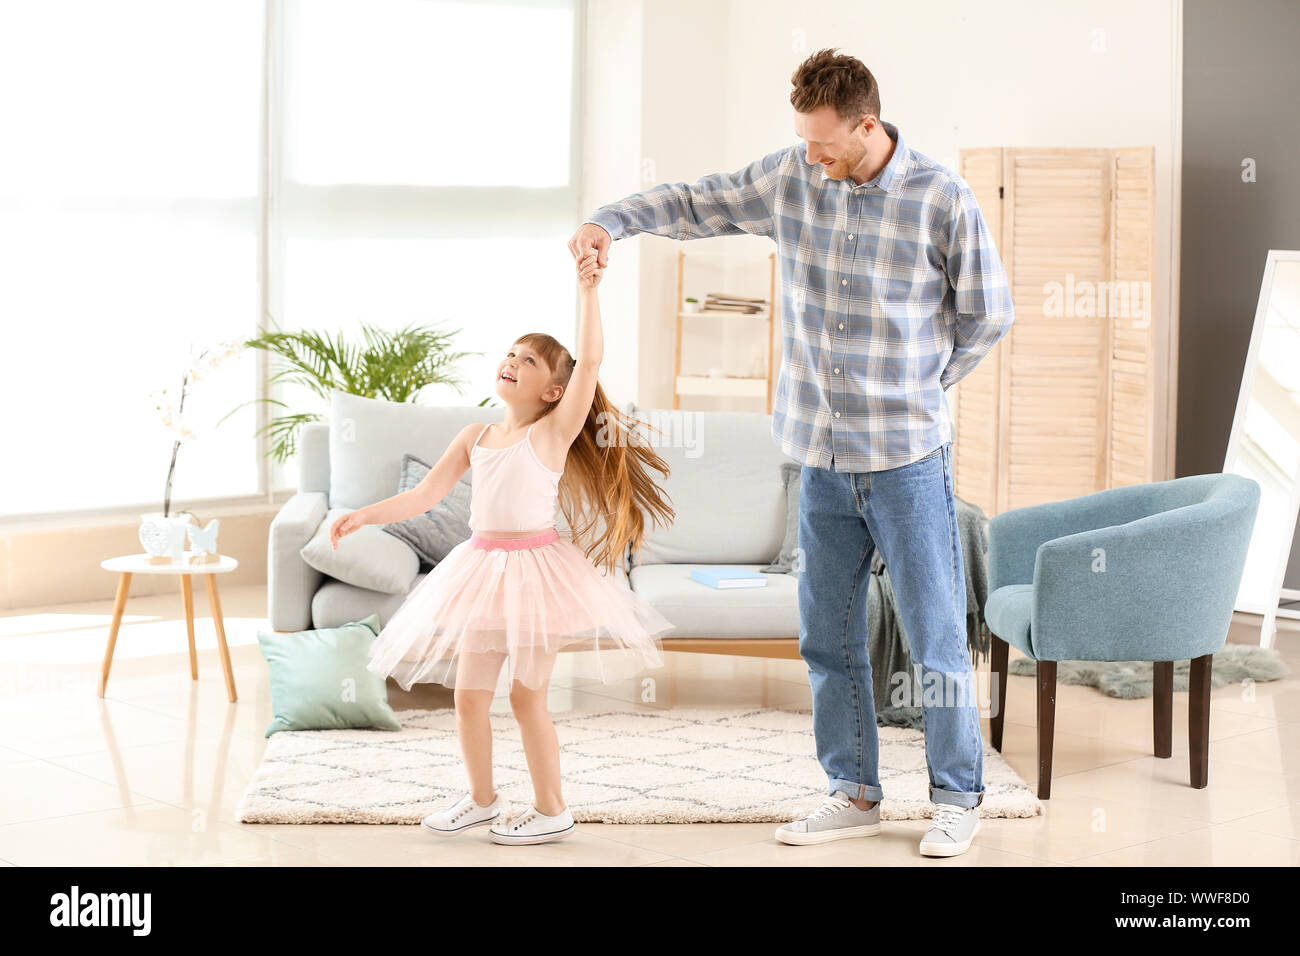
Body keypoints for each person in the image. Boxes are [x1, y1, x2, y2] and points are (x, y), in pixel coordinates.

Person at [568, 48, 1013, 857]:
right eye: (802, 141)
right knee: (827, 637)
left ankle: (957, 796)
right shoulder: (790, 179)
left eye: (824, 143)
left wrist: (924, 386)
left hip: (907, 460)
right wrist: (610, 221)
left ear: (867, 126)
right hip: (817, 460)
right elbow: (695, 202)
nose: (811, 156)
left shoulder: (940, 197)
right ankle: (852, 790)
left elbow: (989, 314)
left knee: (936, 636)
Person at [330, 250, 678, 846]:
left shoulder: (554, 431)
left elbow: (591, 358)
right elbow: (423, 495)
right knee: (467, 698)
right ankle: (482, 800)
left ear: (554, 390)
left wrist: (588, 290)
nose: (512, 362)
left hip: (537, 574)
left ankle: (552, 809)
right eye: (510, 354)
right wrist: (362, 515)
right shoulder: (476, 435)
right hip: (480, 568)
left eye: (529, 359)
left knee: (524, 697)